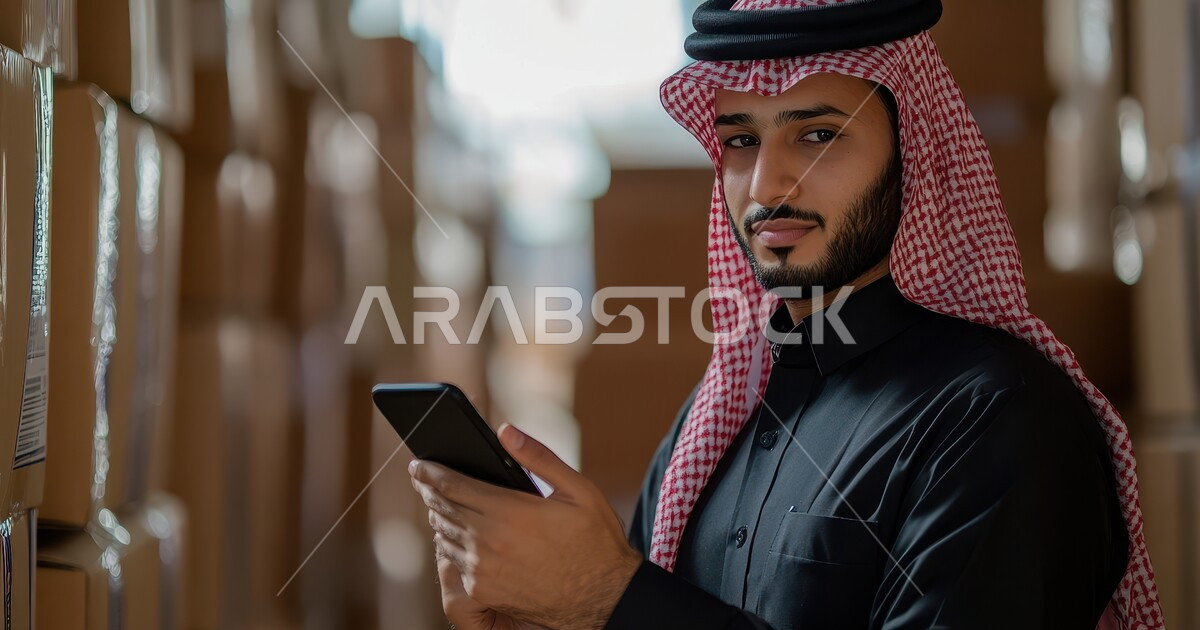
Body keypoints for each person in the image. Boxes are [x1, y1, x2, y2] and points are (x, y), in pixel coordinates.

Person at [408, 0, 1165, 628]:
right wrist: (541, 607)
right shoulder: (721, 419)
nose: (767, 182)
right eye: (740, 139)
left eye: (817, 134)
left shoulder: (1003, 420)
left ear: (915, 152)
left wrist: (608, 593)